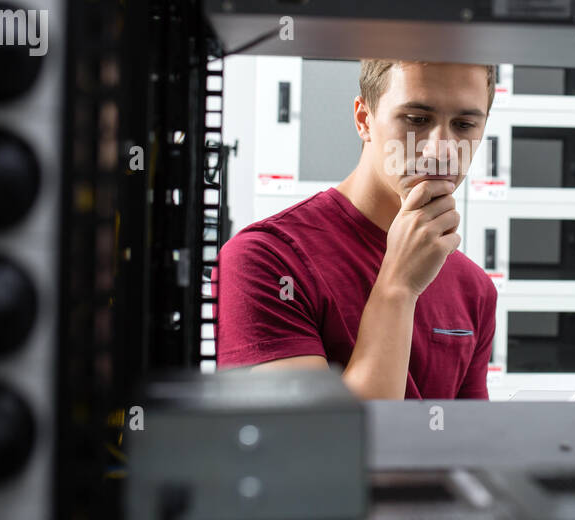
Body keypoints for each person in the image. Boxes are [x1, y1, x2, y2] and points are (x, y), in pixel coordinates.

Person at [212, 59, 498, 399]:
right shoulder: (265, 261)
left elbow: (468, 446)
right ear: (364, 119)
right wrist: (398, 288)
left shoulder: (474, 289)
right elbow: (313, 444)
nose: (441, 149)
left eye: (464, 125)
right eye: (417, 120)